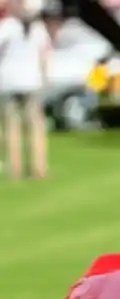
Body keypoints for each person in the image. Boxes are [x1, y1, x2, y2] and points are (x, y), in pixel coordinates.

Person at [0, 0, 52, 180]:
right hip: (31, 80)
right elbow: (45, 53)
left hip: (9, 81)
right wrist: (45, 77)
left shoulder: (7, 26)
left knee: (12, 126)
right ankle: (39, 167)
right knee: (36, 126)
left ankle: (15, 168)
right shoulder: (38, 28)